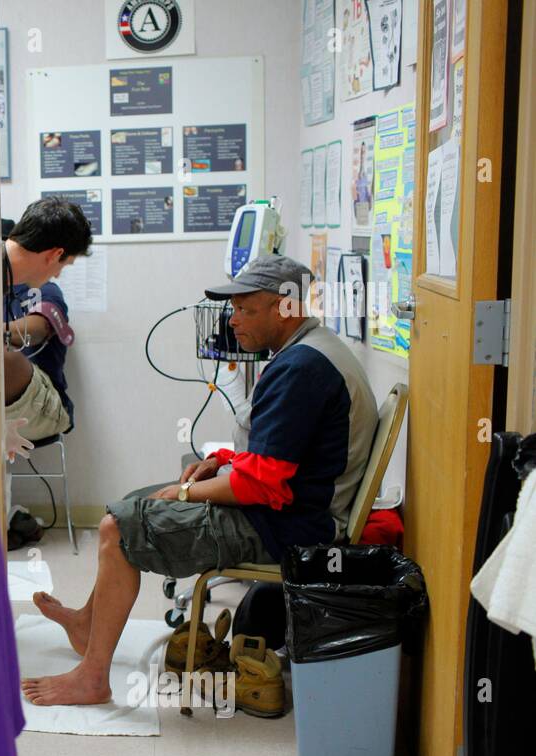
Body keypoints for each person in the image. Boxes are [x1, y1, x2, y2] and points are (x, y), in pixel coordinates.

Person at [23, 254, 377, 706]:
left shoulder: (302, 370)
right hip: (292, 511)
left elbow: (261, 485)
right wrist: (223, 461)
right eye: (234, 310)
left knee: (117, 525)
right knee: (135, 502)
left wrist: (188, 491)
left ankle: (93, 676)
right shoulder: (313, 350)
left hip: (287, 527)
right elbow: (285, 457)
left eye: (246, 310)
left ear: (285, 308)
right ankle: (88, 623)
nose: (233, 322)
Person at [1, 198, 91, 448]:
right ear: (56, 254)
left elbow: (39, 330)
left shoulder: (47, 291)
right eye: (64, 265)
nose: (58, 273)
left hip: (46, 406)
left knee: (0, 358)